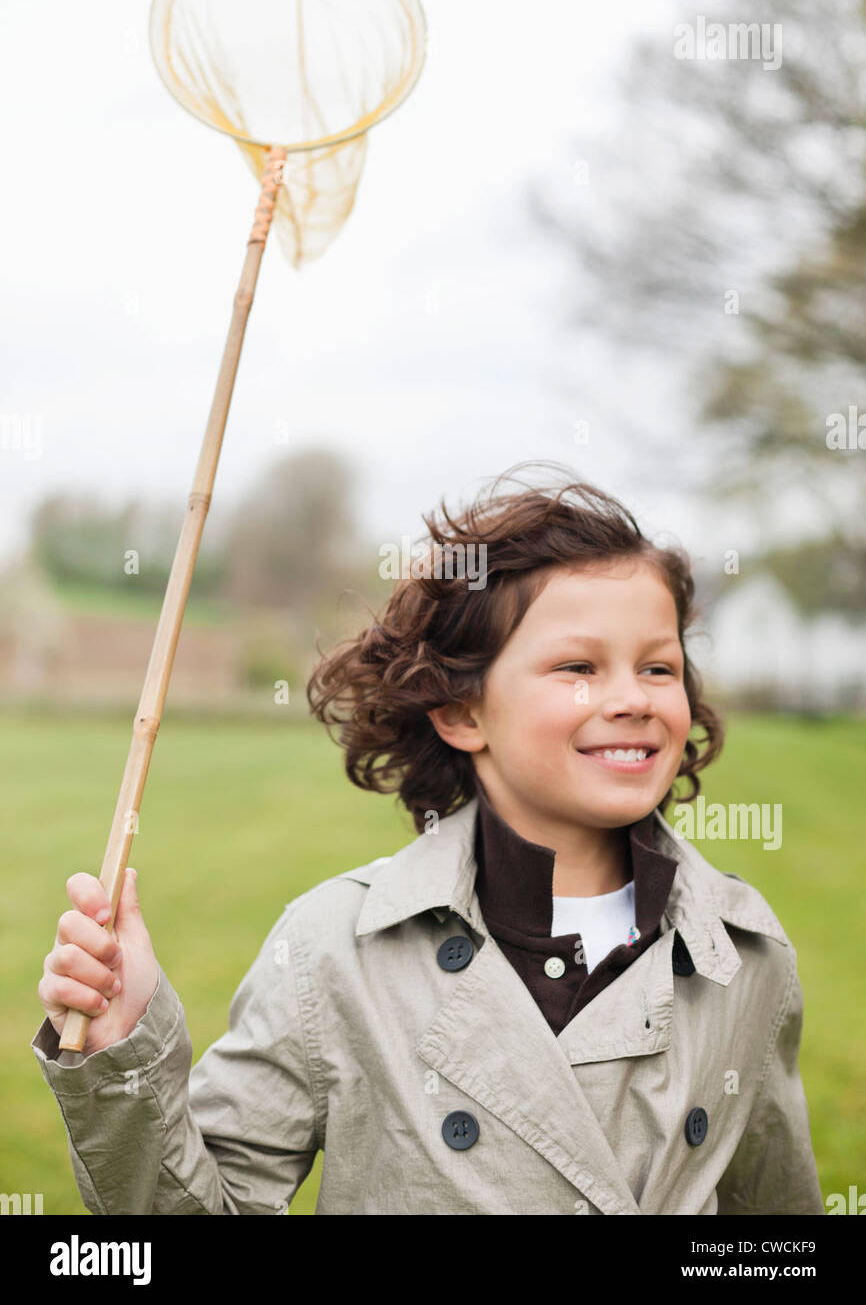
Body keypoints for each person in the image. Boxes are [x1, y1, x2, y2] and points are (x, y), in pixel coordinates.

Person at [31, 466, 825, 1214]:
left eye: (659, 668)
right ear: (462, 711)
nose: (632, 699)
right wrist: (127, 1049)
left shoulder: (745, 957)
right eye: (579, 666)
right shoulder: (332, 951)